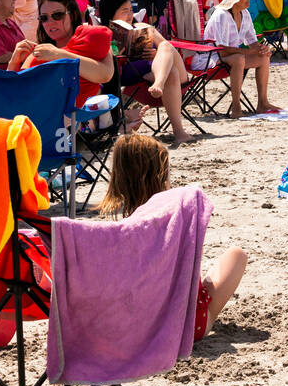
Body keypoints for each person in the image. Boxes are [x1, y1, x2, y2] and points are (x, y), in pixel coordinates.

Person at [98, 134, 247, 340]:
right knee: (236, 255)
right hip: (187, 326)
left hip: (141, 328)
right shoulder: (179, 221)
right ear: (160, 177)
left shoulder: (116, 236)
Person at [97, 0, 193, 144]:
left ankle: (159, 83)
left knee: (166, 46)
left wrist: (155, 55)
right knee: (172, 73)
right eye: (124, 11)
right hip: (141, 81)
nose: (129, 15)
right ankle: (179, 132)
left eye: (131, 10)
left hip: (163, 75)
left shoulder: (142, 26)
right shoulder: (103, 35)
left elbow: (165, 47)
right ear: (110, 14)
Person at [7, 0, 112, 108]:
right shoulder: (38, 53)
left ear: (72, 15)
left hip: (85, 122)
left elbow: (105, 75)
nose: (50, 22)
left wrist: (58, 55)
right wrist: (13, 63)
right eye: (44, 18)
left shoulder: (92, 39)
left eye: (57, 15)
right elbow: (12, 93)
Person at [201, 0, 281, 119]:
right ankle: (236, 107)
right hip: (210, 57)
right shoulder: (221, 15)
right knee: (239, 59)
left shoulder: (244, 13)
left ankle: (262, 102)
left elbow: (252, 41)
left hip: (228, 56)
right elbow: (221, 48)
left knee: (263, 57)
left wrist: (261, 48)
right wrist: (247, 51)